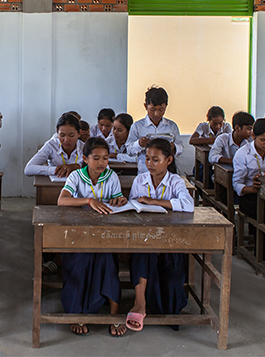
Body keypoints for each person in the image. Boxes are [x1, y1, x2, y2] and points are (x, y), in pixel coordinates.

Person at [57, 137, 127, 337]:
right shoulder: (76, 176)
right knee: (82, 260)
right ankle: (77, 311)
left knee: (107, 261)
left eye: (105, 158)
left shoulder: (111, 176)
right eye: (96, 158)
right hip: (79, 234)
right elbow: (61, 201)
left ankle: (115, 312)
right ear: (85, 158)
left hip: (105, 235)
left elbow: (117, 199)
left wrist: (119, 200)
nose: (101, 163)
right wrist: (89, 200)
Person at [126, 139, 193, 332]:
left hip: (171, 239)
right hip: (144, 237)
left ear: (169, 160)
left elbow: (188, 205)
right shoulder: (140, 180)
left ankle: (166, 307)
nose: (150, 164)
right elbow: (133, 205)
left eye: (156, 160)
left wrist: (154, 202)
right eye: (147, 159)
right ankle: (140, 303)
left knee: (172, 273)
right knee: (142, 254)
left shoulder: (175, 181)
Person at [233, 118, 265, 262]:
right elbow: (237, 184)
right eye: (263, 140)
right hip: (250, 196)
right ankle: (264, 254)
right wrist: (252, 188)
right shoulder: (243, 154)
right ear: (253, 136)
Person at [126, 86, 183, 174]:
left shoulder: (172, 126)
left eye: (161, 110)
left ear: (166, 107)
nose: (157, 114)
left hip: (167, 172)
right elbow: (129, 150)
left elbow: (181, 148)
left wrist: (174, 147)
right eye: (152, 110)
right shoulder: (137, 126)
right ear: (145, 106)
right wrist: (139, 144)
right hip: (145, 171)